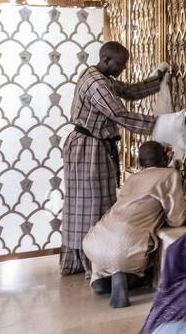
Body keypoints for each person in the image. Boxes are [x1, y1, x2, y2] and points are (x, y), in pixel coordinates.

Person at [61, 42, 166, 275]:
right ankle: (93, 262)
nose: (122, 69)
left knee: (93, 203)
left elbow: (128, 92)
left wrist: (158, 81)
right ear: (106, 60)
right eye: (120, 65)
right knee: (90, 205)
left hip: (93, 147)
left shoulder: (100, 76)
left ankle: (94, 258)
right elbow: (119, 114)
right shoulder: (96, 82)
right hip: (88, 149)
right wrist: (162, 125)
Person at [82, 140, 184, 308]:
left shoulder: (132, 178)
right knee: (141, 270)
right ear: (165, 158)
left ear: (139, 162)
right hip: (126, 246)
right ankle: (128, 278)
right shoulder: (170, 174)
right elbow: (176, 218)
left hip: (94, 242)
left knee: (105, 266)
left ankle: (102, 282)